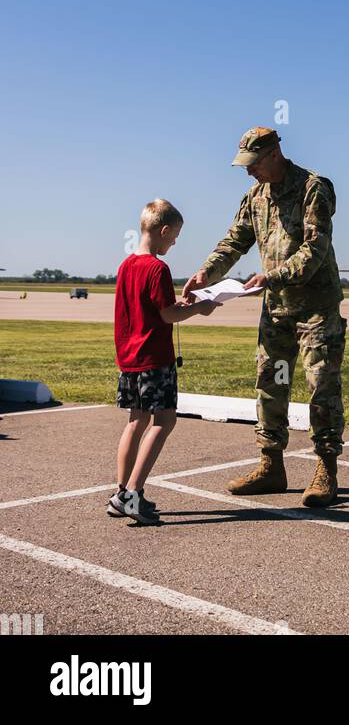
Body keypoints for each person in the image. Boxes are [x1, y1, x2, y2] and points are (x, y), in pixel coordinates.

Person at [183, 128, 346, 507]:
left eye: (254, 164)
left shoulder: (313, 188)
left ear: (274, 154)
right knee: (270, 384)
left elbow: (314, 249)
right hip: (276, 310)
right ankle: (271, 465)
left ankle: (326, 469)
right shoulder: (255, 196)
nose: (249, 172)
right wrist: (207, 272)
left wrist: (270, 277)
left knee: (321, 386)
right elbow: (235, 240)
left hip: (315, 310)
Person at [111, 199, 216, 526]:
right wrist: (199, 308)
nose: (175, 242)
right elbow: (168, 314)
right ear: (164, 230)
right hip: (154, 358)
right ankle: (133, 494)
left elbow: (152, 308)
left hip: (129, 359)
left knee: (136, 421)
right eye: (175, 236)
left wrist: (178, 304)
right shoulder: (158, 268)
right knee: (164, 421)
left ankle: (120, 492)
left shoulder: (127, 265)